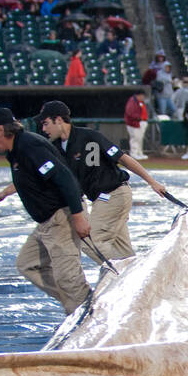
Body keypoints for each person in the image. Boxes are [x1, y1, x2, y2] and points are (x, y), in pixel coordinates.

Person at [0, 106, 93, 314]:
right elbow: (30, 176)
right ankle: (80, 304)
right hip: (47, 222)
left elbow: (65, 178)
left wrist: (78, 216)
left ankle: (86, 315)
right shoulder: (16, 150)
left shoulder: (29, 146)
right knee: (28, 264)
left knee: (68, 276)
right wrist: (6, 192)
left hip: (61, 216)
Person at [36, 100, 168, 262]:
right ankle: (138, 277)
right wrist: (7, 192)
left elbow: (123, 159)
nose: (43, 129)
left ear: (58, 120)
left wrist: (152, 182)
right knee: (123, 252)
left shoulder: (89, 137)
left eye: (46, 123)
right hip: (102, 199)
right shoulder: (56, 148)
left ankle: (125, 276)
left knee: (90, 241)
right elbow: (39, 174)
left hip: (114, 194)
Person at [124, 89, 150, 159]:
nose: (143, 97)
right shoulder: (132, 101)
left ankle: (139, 153)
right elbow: (129, 113)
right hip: (134, 123)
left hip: (140, 123)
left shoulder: (139, 102)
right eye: (142, 96)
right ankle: (134, 153)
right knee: (135, 139)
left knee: (139, 139)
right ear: (139, 95)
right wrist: (138, 118)